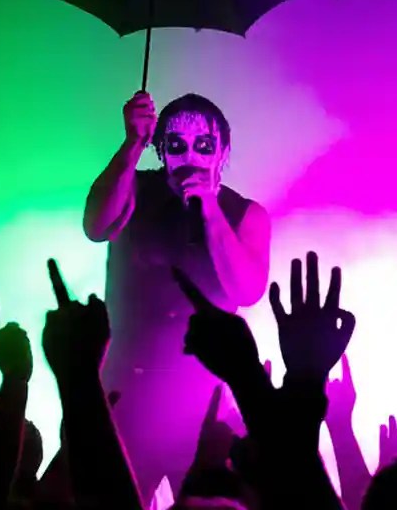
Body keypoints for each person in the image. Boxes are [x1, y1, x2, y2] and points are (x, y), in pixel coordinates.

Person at [83, 91, 271, 497]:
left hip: (203, 397)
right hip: (126, 388)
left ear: (223, 150)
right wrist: (131, 145)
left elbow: (248, 289)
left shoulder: (245, 213)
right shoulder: (133, 187)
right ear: (160, 149)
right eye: (176, 145)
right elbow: (96, 226)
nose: (190, 157)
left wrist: (209, 208)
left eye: (204, 146)